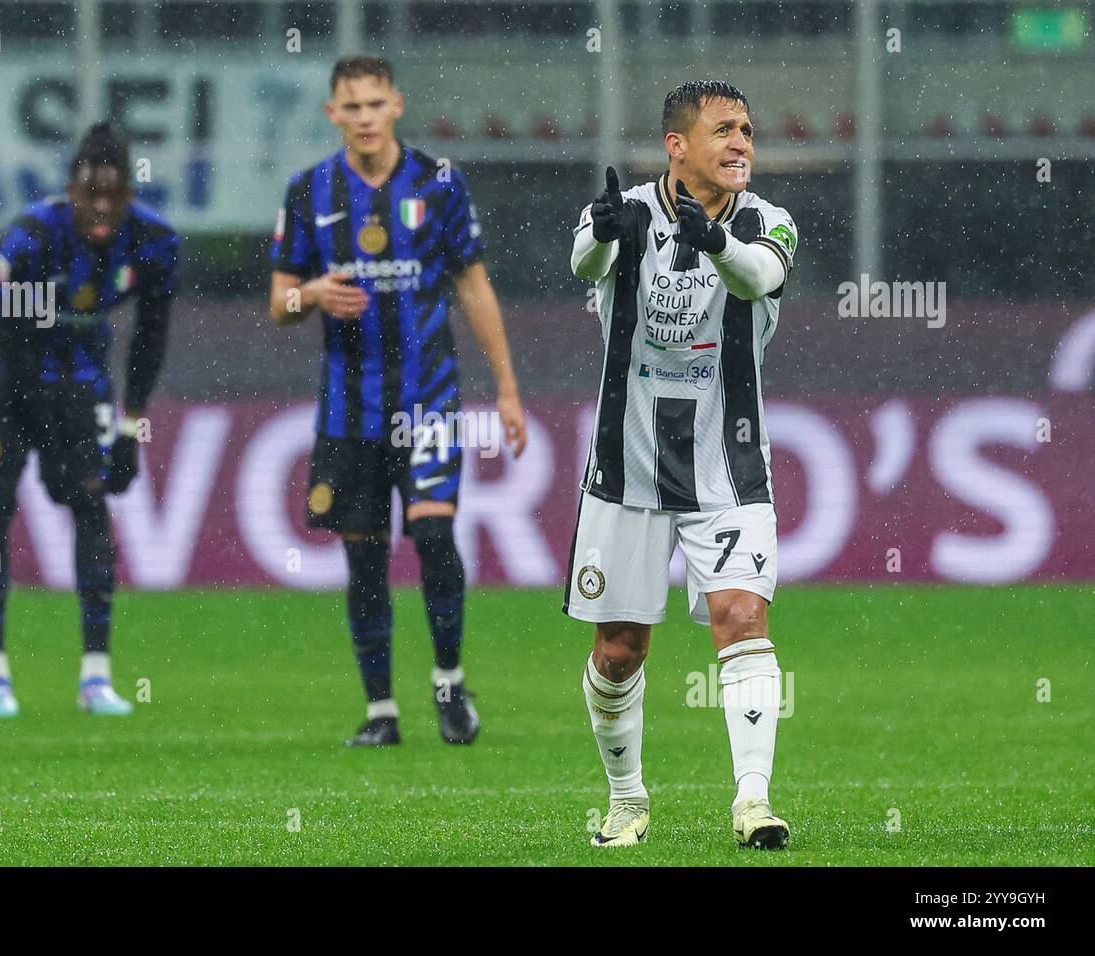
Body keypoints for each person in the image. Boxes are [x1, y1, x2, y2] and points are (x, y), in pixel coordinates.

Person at [269, 56, 528, 747]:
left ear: (396, 107)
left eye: (374, 104)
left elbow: (473, 284)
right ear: (332, 114)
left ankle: (448, 680)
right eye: (350, 107)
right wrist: (314, 294)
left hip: (430, 402)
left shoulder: (439, 183)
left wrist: (506, 389)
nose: (363, 118)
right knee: (364, 558)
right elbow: (281, 302)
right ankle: (381, 710)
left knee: (437, 535)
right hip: (349, 409)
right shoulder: (308, 190)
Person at [567, 81, 798, 848]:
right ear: (677, 145)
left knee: (741, 618)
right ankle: (628, 800)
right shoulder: (624, 211)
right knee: (619, 648)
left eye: (749, 130)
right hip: (624, 465)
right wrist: (602, 234)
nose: (742, 144)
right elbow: (582, 262)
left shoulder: (769, 222)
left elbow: (759, 276)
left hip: (727, 467)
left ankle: (754, 805)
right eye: (725, 130)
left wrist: (713, 241)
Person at [0, 122, 179, 717]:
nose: (103, 208)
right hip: (7, 381)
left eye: (115, 196)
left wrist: (132, 427)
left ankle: (95, 678)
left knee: (91, 504)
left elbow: (150, 337)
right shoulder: (34, 235)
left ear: (129, 195)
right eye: (92, 195)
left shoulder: (155, 241)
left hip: (81, 386)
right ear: (72, 191)